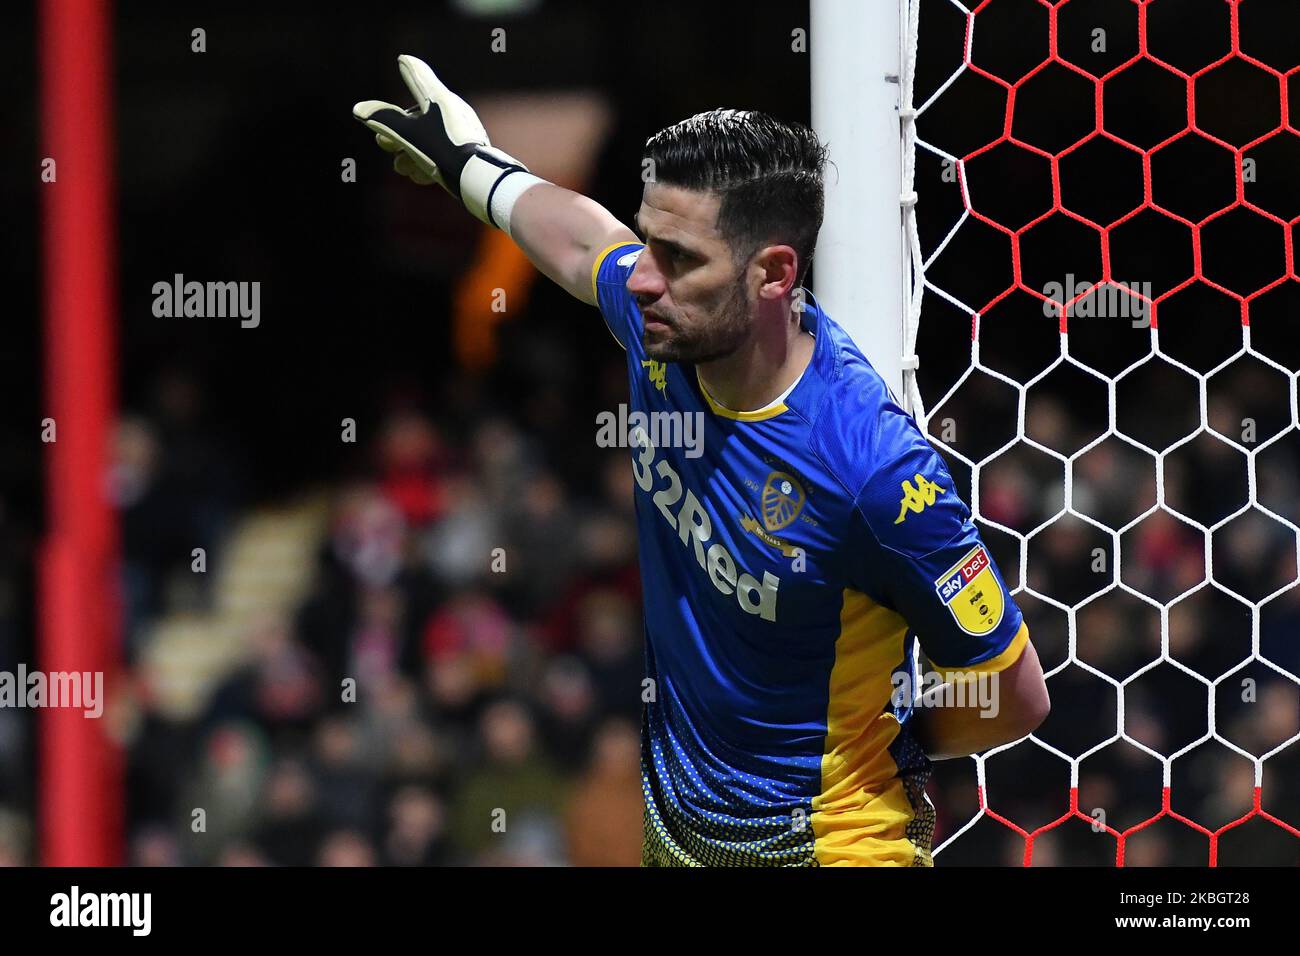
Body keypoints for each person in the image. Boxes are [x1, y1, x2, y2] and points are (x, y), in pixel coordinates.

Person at [353, 55, 1050, 866]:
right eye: (651, 242)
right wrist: (474, 166)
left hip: (829, 846)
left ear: (773, 273)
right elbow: (585, 244)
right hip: (683, 833)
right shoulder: (669, 330)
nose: (644, 278)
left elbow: (1015, 695)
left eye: (679, 257)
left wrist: (894, 738)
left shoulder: (872, 470)